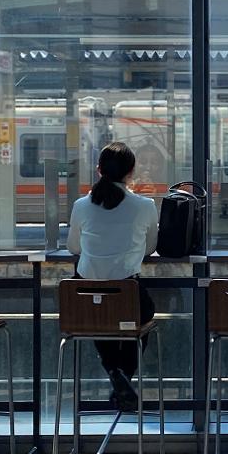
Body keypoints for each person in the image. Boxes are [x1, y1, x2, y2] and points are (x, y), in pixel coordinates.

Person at [67, 142, 160, 412]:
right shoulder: (145, 205)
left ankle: (113, 372)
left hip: (84, 298)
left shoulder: (81, 205)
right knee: (140, 318)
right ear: (131, 172)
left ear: (99, 170)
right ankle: (123, 375)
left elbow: (73, 248)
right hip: (127, 293)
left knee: (100, 317)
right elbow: (150, 248)